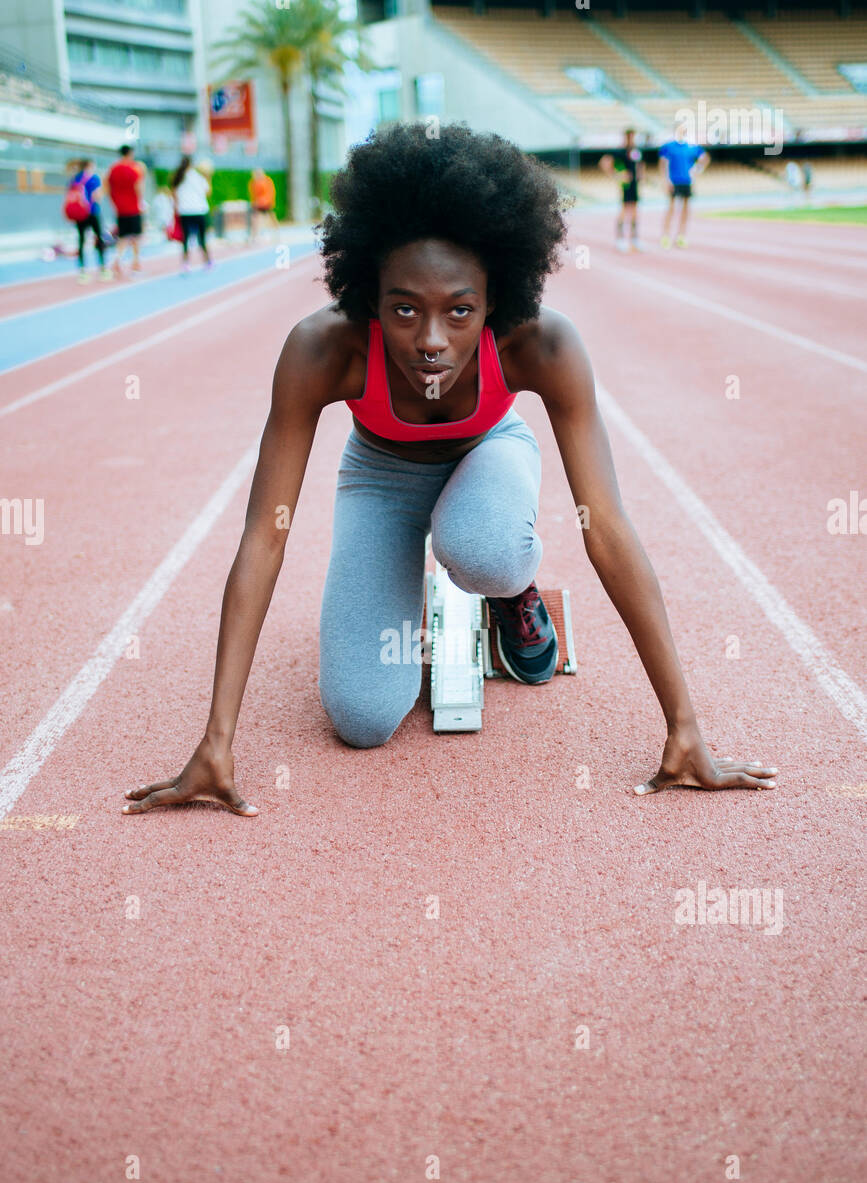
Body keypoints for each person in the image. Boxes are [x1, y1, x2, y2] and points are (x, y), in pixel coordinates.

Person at [122, 123, 776, 817]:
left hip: (488, 451)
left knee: (481, 547)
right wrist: (216, 738)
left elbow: (605, 524)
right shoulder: (321, 350)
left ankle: (511, 594)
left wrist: (684, 727)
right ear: (367, 296)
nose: (430, 341)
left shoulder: (542, 344)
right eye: (403, 309)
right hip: (379, 475)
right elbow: (265, 533)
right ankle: (421, 588)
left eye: (459, 311)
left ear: (496, 300)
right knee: (363, 720)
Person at [658, 124, 709, 249]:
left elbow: (705, 158)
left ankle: (681, 236)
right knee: (671, 208)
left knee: (686, 209)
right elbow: (662, 164)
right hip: (674, 181)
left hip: (687, 181)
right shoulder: (668, 147)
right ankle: (666, 236)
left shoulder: (692, 147)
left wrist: (697, 171)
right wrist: (665, 180)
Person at [66, 158, 111, 285]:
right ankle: (103, 268)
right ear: (90, 166)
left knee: (81, 240)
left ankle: (82, 271)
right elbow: (97, 196)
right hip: (92, 212)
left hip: (80, 214)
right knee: (99, 238)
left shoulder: (75, 179)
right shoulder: (93, 178)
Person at [599, 129, 644, 252]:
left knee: (635, 211)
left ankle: (635, 239)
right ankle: (620, 239)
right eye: (630, 137)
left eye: (633, 137)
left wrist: (640, 175)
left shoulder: (636, 151)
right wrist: (616, 175)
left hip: (635, 185)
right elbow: (604, 162)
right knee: (624, 211)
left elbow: (639, 164)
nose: (632, 139)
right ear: (625, 137)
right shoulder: (619, 151)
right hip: (625, 185)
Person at [107, 144, 146, 277]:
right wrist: (141, 203)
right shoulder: (134, 169)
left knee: (123, 237)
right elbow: (138, 187)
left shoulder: (113, 169)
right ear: (130, 154)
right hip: (133, 207)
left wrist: (114, 203)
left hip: (120, 209)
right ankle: (136, 266)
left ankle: (117, 259)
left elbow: (108, 188)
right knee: (136, 237)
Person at [171, 155, 214, 273]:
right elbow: (207, 192)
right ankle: (207, 261)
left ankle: (185, 263)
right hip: (199, 210)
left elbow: (174, 194)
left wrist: (176, 208)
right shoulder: (197, 176)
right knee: (202, 238)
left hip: (184, 211)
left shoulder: (178, 177)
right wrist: (208, 177)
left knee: (185, 239)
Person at [248, 168, 277, 241]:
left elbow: (270, 193)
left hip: (266, 203)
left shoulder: (266, 181)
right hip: (258, 204)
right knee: (255, 219)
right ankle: (254, 236)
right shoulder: (253, 183)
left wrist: (266, 201)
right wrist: (254, 203)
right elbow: (254, 195)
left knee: (270, 218)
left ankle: (275, 233)